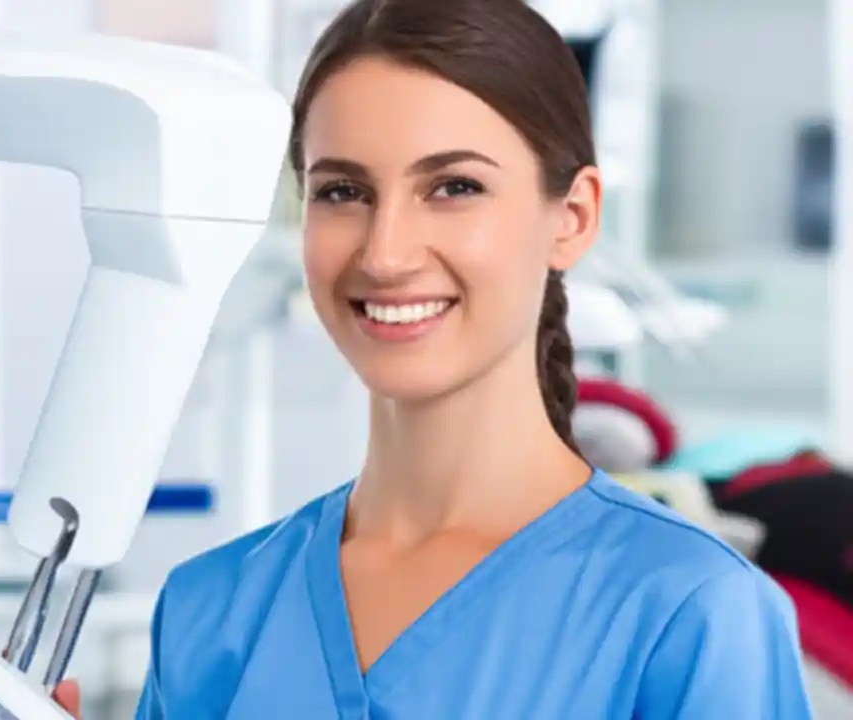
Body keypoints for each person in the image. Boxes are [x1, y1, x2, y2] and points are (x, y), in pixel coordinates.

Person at [75, 0, 814, 717]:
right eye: (343, 191)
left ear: (575, 216)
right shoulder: (212, 608)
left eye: (454, 187)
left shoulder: (688, 612)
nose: (385, 252)